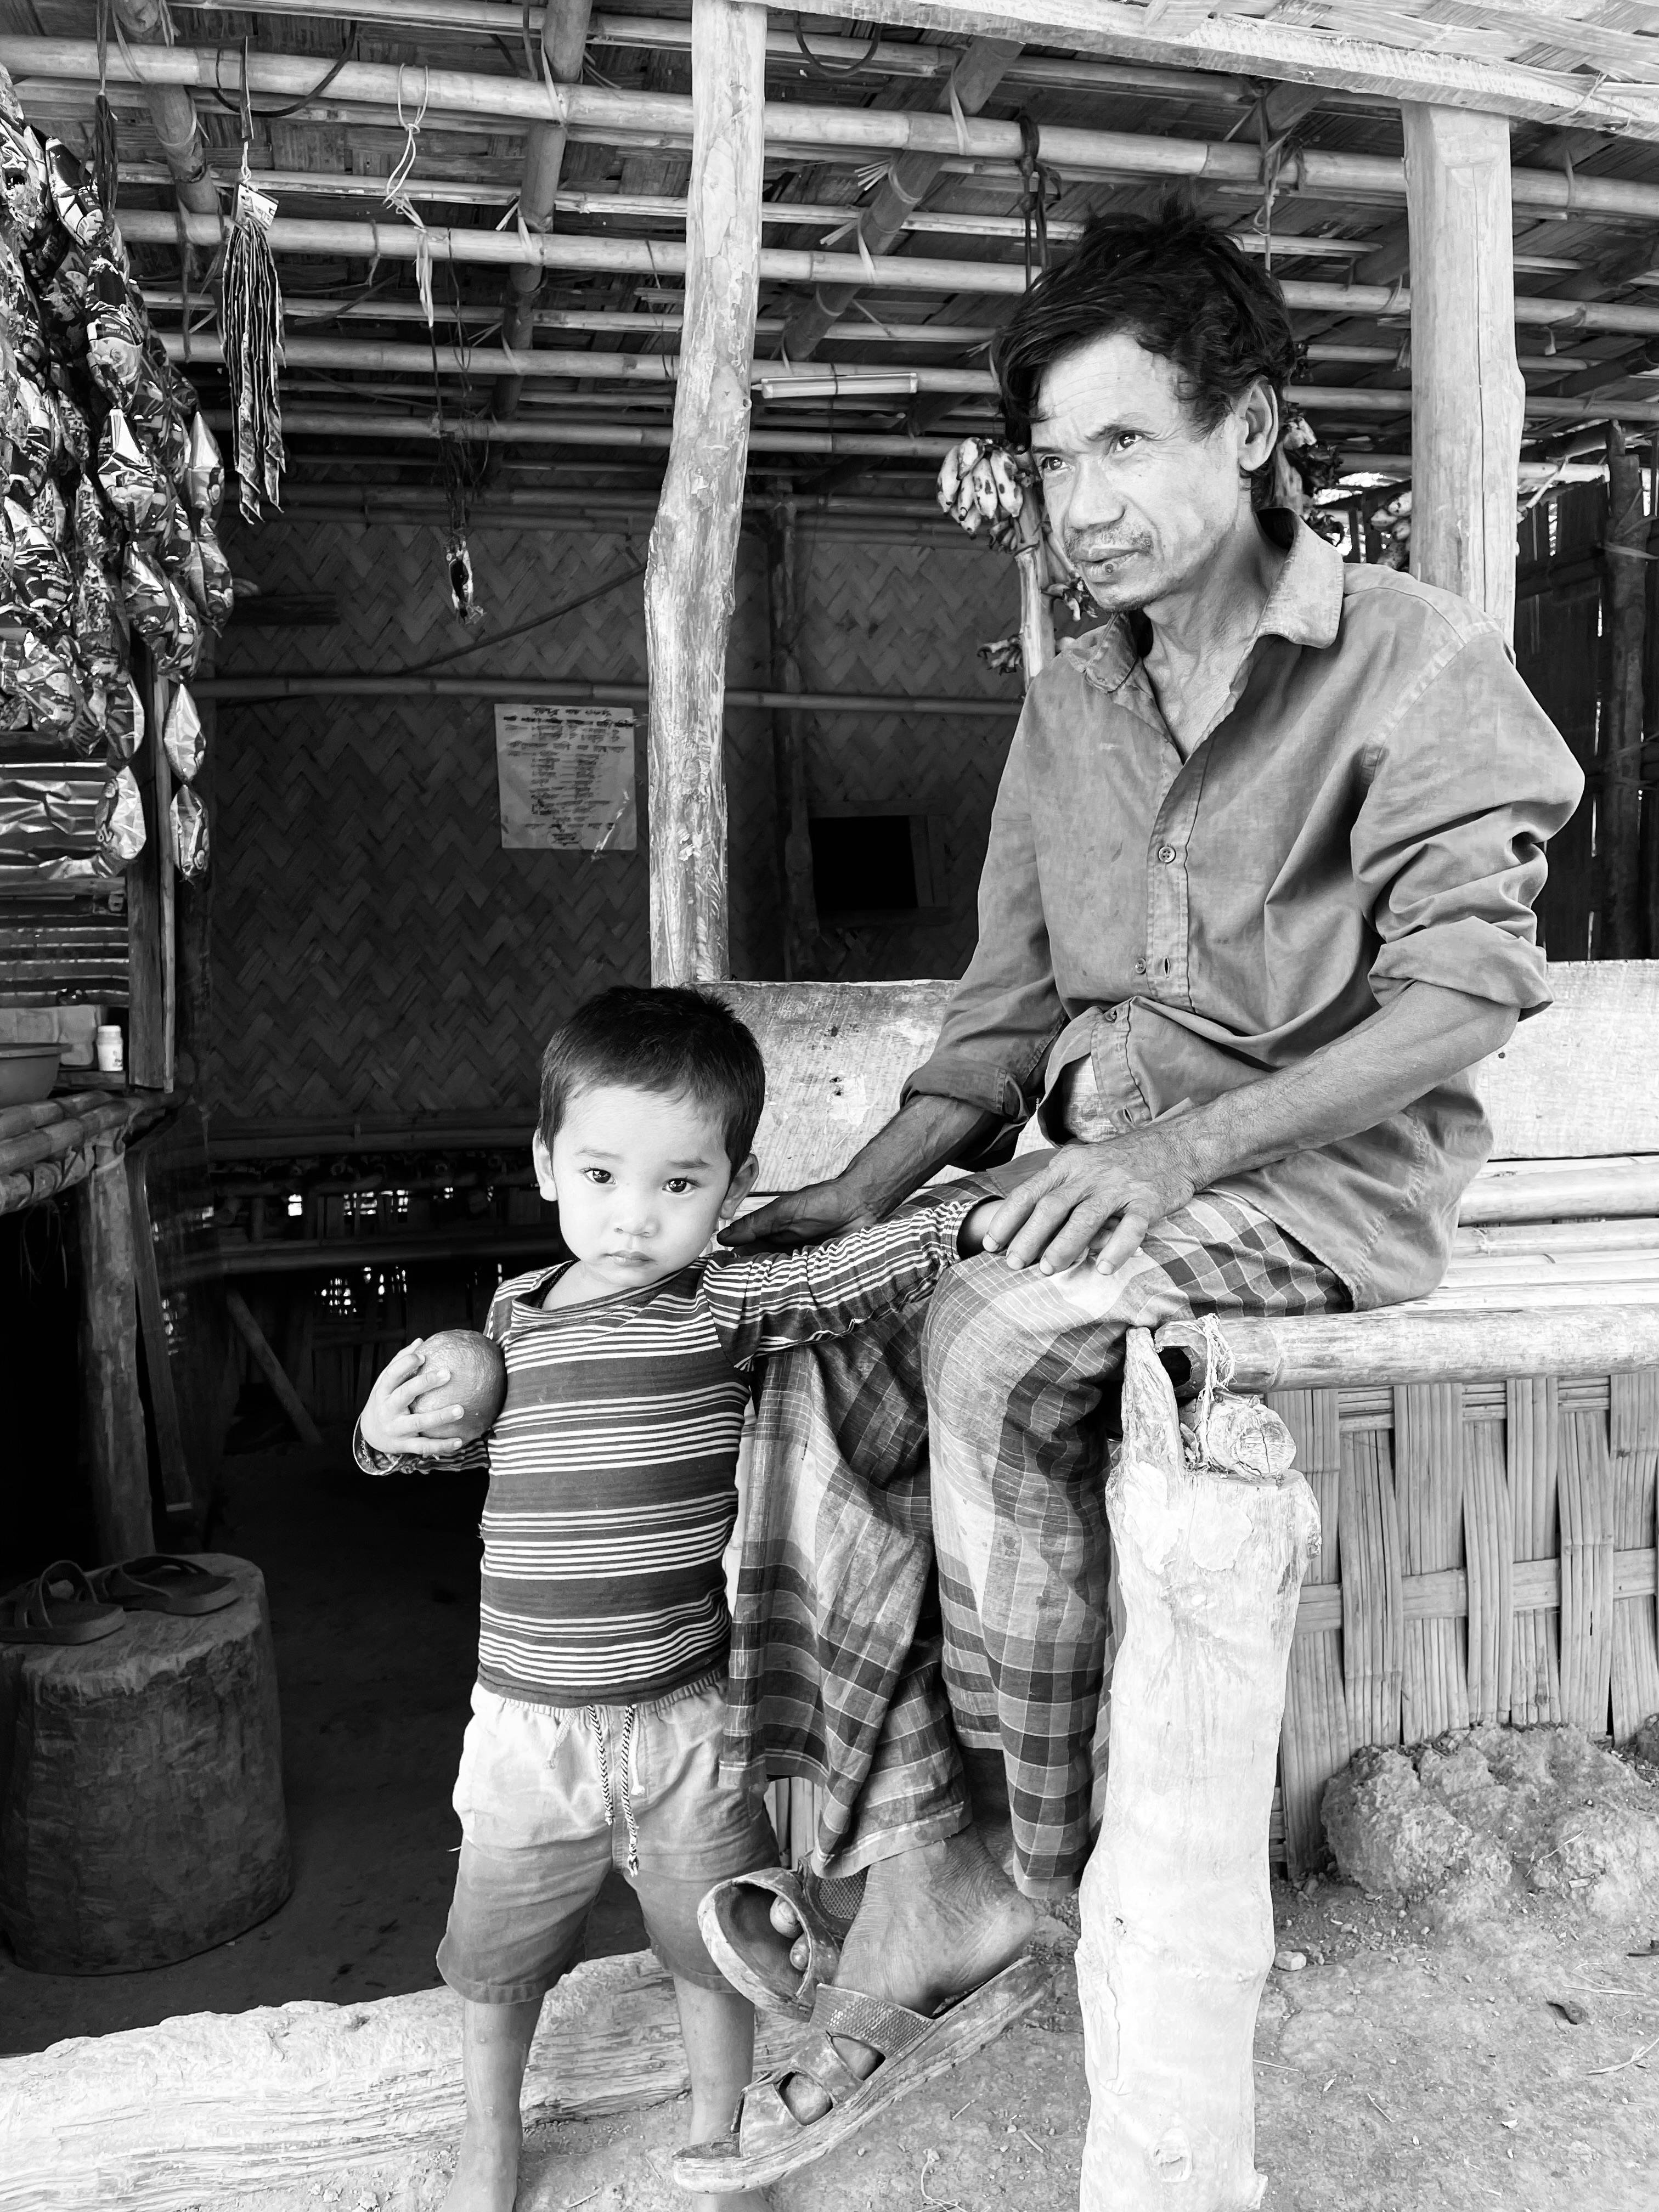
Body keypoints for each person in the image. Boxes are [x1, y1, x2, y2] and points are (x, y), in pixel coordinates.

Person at [690, 206, 1585, 2179]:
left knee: (995, 1334)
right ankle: (902, 1850)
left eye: (1119, 445)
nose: (1076, 504)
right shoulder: (1070, 704)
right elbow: (1000, 1024)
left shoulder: (1410, 663)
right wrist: (845, 1194)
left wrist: (1161, 1154)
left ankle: (1034, 1858)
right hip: (1108, 1179)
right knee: (808, 1341)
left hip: (1320, 1190)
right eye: (1048, 464)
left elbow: (1467, 988)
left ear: (1250, 426)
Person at [354, 985, 1002, 2212]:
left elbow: (857, 1270)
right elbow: (488, 1455)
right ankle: (489, 2140)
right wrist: (388, 1437)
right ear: (547, 1162)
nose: (634, 1218)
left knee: (720, 1946)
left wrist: (967, 1216)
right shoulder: (511, 1321)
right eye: (601, 1176)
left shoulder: (726, 1307)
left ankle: (722, 2144)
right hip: (525, 1726)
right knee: (495, 1963)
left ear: (735, 1184)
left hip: (687, 1719)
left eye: (679, 1185)